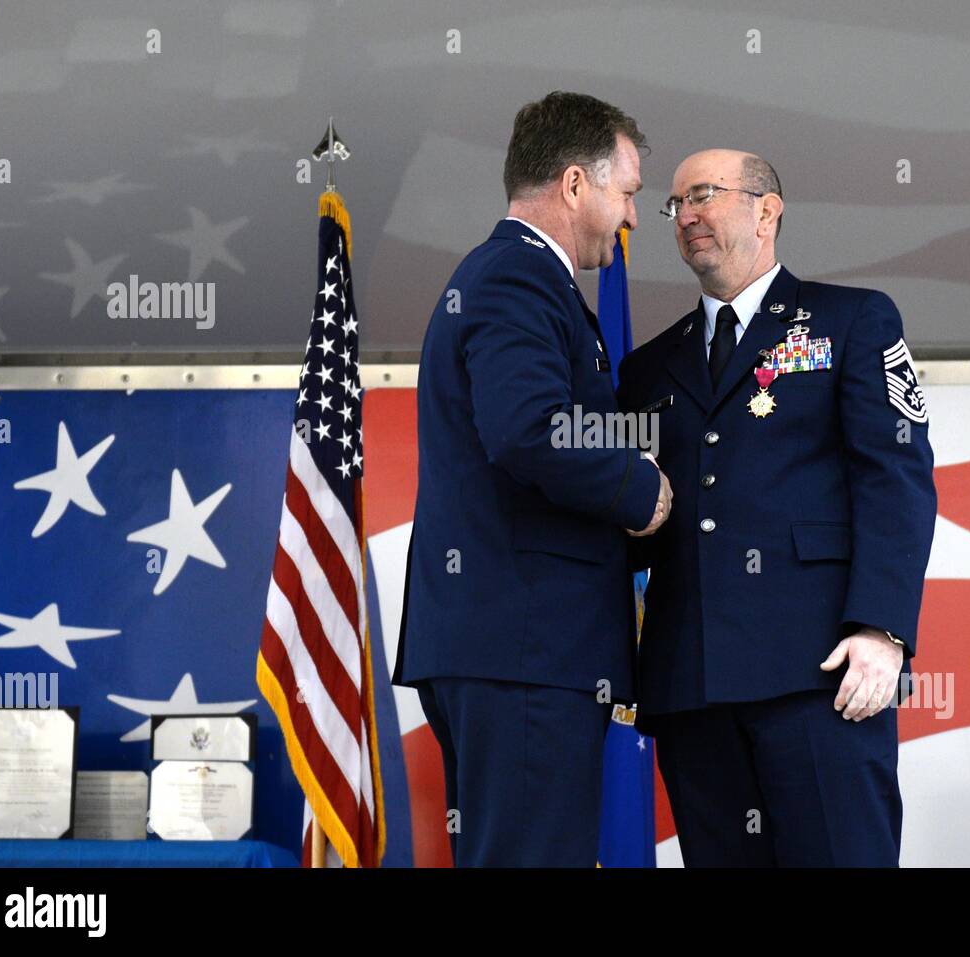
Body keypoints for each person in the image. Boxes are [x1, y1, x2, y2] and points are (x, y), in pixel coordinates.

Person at [616, 149, 936, 866]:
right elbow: (634, 526)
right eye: (675, 204)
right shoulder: (646, 368)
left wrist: (882, 628)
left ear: (767, 209)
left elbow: (897, 477)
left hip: (820, 675)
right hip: (692, 686)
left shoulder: (852, 320)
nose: (686, 215)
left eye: (705, 194)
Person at [393, 92, 672, 866]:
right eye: (629, 192)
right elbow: (529, 427)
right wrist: (640, 490)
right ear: (577, 186)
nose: (634, 216)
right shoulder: (517, 277)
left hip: (514, 648)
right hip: (523, 648)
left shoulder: (517, 278)